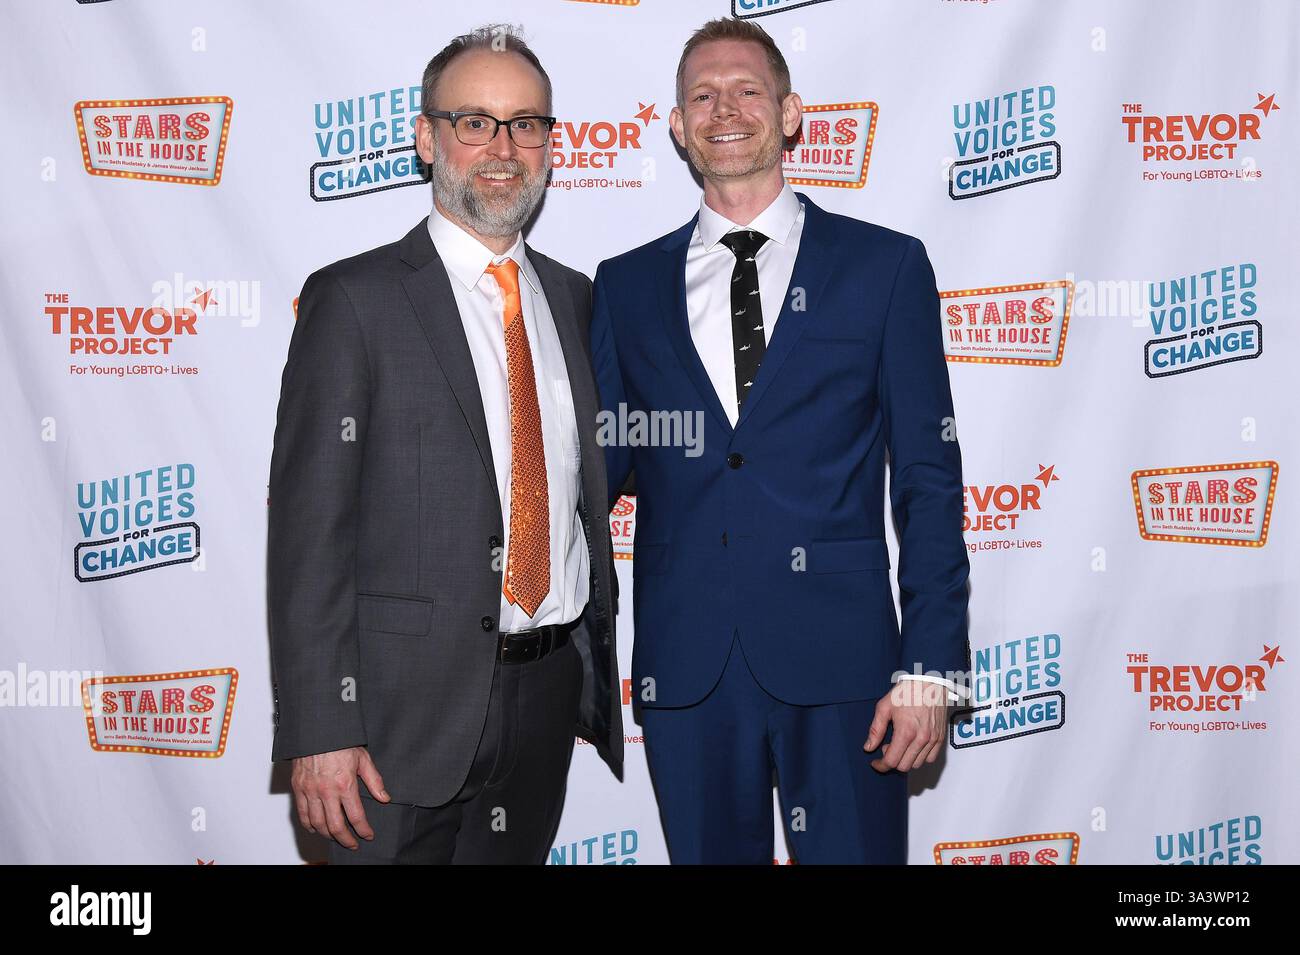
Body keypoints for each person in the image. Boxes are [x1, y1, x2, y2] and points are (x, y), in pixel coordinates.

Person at [590, 17, 971, 864]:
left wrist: (933, 666)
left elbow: (928, 479)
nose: (725, 109)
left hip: (847, 665)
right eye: (702, 96)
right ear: (677, 127)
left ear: (791, 112)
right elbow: (599, 470)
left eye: (747, 89)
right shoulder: (624, 287)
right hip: (687, 668)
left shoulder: (885, 267)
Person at [267, 24, 621, 865]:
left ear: (549, 145)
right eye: (475, 121)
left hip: (543, 699)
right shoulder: (353, 300)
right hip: (393, 720)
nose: (503, 147)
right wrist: (320, 725)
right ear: (427, 138)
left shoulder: (575, 301)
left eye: (526, 123)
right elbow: (309, 536)